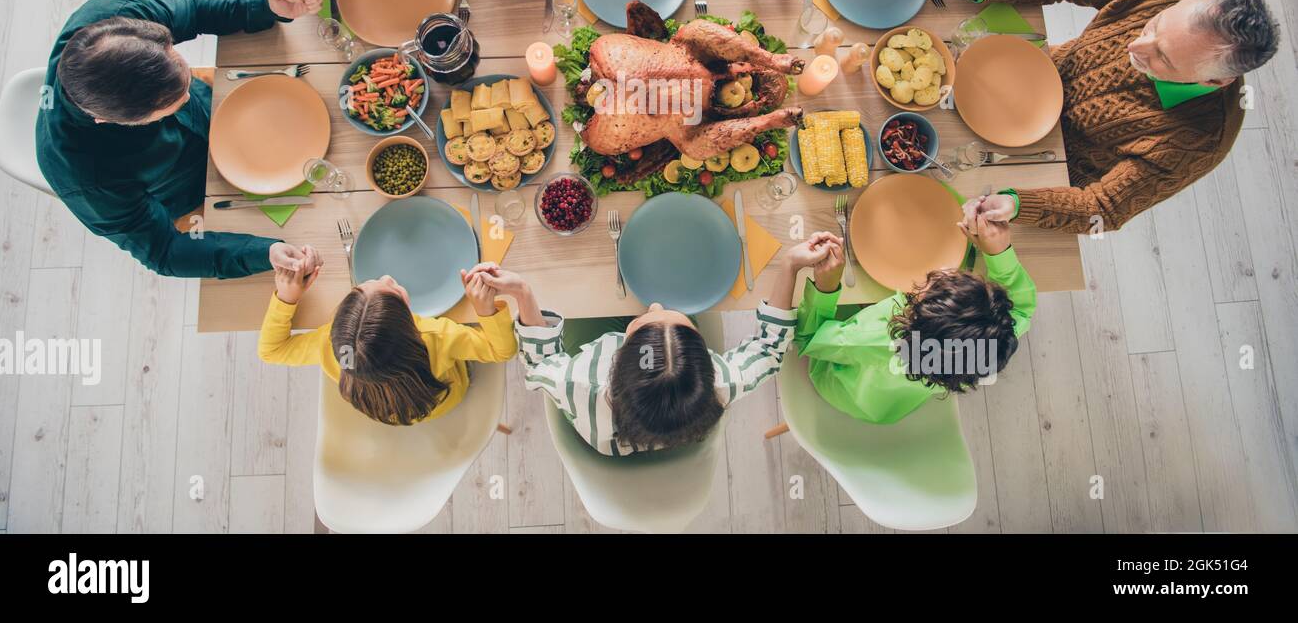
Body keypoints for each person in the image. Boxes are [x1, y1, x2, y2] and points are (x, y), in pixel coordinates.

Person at [946, 0, 1281, 234]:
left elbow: (1103, 209)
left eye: (1162, 58)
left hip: (1047, 166)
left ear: (1214, 82)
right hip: (1026, 76)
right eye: (1154, 25)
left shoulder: (1200, 142)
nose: (1135, 46)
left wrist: (1019, 204)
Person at [36, 0, 317, 279]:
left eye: (176, 59)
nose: (185, 98)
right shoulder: (85, 179)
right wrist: (262, 252)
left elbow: (193, 9)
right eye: (173, 103)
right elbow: (164, 251)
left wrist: (264, 5)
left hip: (222, 108)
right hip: (190, 187)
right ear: (106, 120)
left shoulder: (112, 15)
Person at [471, 236, 836, 455]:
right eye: (669, 317)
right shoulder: (719, 384)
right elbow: (770, 351)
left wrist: (523, 293)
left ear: (617, 361)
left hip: (608, 443)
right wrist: (788, 266)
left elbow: (538, 364)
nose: (656, 305)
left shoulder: (581, 383)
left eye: (646, 319)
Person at [795, 221, 1035, 424]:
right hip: (895, 402)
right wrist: (999, 253)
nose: (943, 269)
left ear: (912, 321)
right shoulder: (991, 340)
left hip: (840, 386)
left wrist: (825, 286)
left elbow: (807, 340)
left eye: (931, 288)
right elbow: (1022, 311)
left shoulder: (877, 338)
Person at [258, 250, 516, 425]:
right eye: (392, 290)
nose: (388, 277)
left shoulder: (331, 344)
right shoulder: (437, 337)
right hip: (444, 400)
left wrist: (286, 298)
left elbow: (272, 351)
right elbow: (502, 351)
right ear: (410, 325)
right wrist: (485, 309)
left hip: (388, 411)